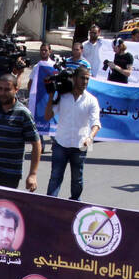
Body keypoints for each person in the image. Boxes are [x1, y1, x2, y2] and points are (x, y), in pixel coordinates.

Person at [44, 64, 101, 200]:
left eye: (87, 79)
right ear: (74, 78)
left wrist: (90, 137)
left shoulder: (92, 100)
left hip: (80, 145)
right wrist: (51, 96)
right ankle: (50, 204)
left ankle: (75, 203)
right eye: (82, 78)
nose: (85, 82)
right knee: (55, 177)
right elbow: (47, 116)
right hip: (61, 144)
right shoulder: (63, 97)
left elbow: (96, 123)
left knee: (77, 179)